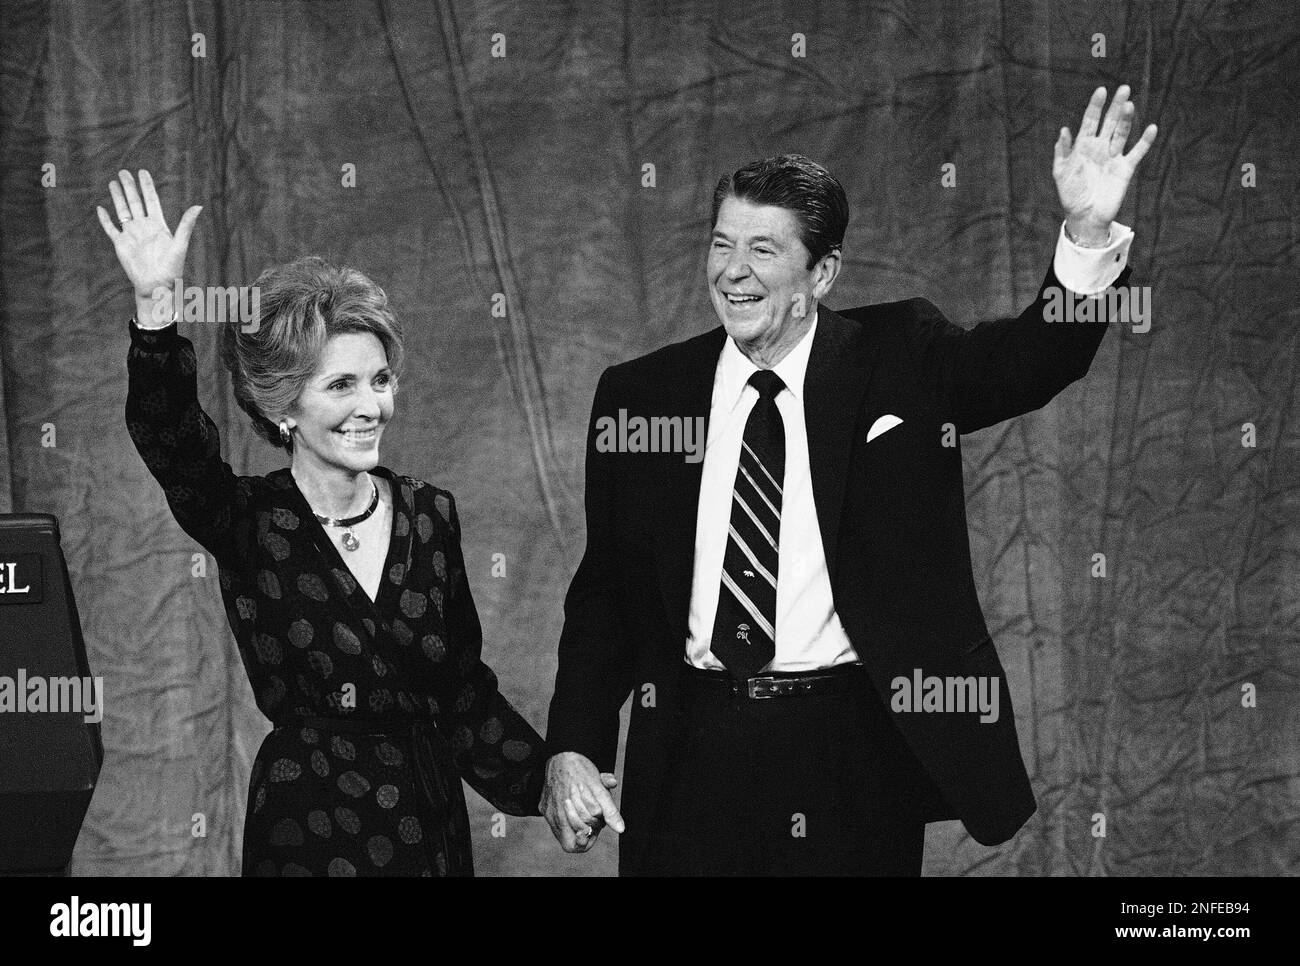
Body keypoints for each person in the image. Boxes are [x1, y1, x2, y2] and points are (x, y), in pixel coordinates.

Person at [542, 86, 1158, 874]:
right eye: (721, 244)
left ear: (823, 272)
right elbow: (606, 594)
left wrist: (1086, 233)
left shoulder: (901, 356)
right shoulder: (640, 396)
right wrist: (573, 745)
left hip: (848, 751)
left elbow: (1029, 365)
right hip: (686, 750)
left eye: (763, 250)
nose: (732, 272)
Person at [99, 170, 554, 876]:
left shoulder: (430, 516)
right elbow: (172, 443)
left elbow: (463, 697)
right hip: (306, 833)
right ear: (284, 406)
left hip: (426, 827)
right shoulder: (247, 520)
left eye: (380, 379)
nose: (370, 404)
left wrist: (550, 783)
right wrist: (157, 306)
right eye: (341, 385)